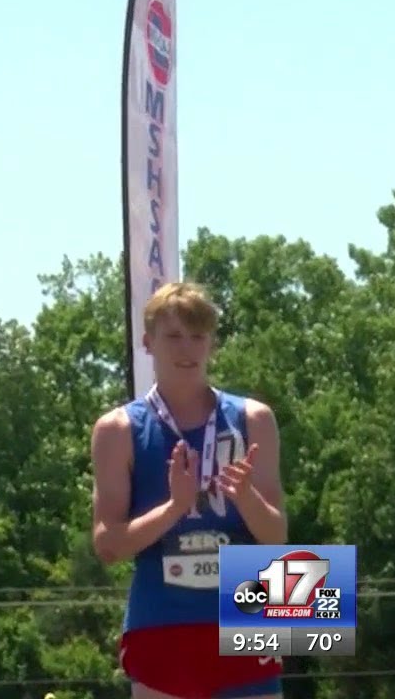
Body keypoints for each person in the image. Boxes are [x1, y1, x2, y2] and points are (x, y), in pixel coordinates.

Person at [90, 281, 288, 699]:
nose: (187, 349)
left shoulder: (255, 419)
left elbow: (277, 537)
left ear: (212, 343)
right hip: (163, 618)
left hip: (250, 607)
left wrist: (247, 498)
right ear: (148, 342)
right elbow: (107, 546)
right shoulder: (117, 430)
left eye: (198, 336)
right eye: (174, 336)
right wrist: (174, 508)